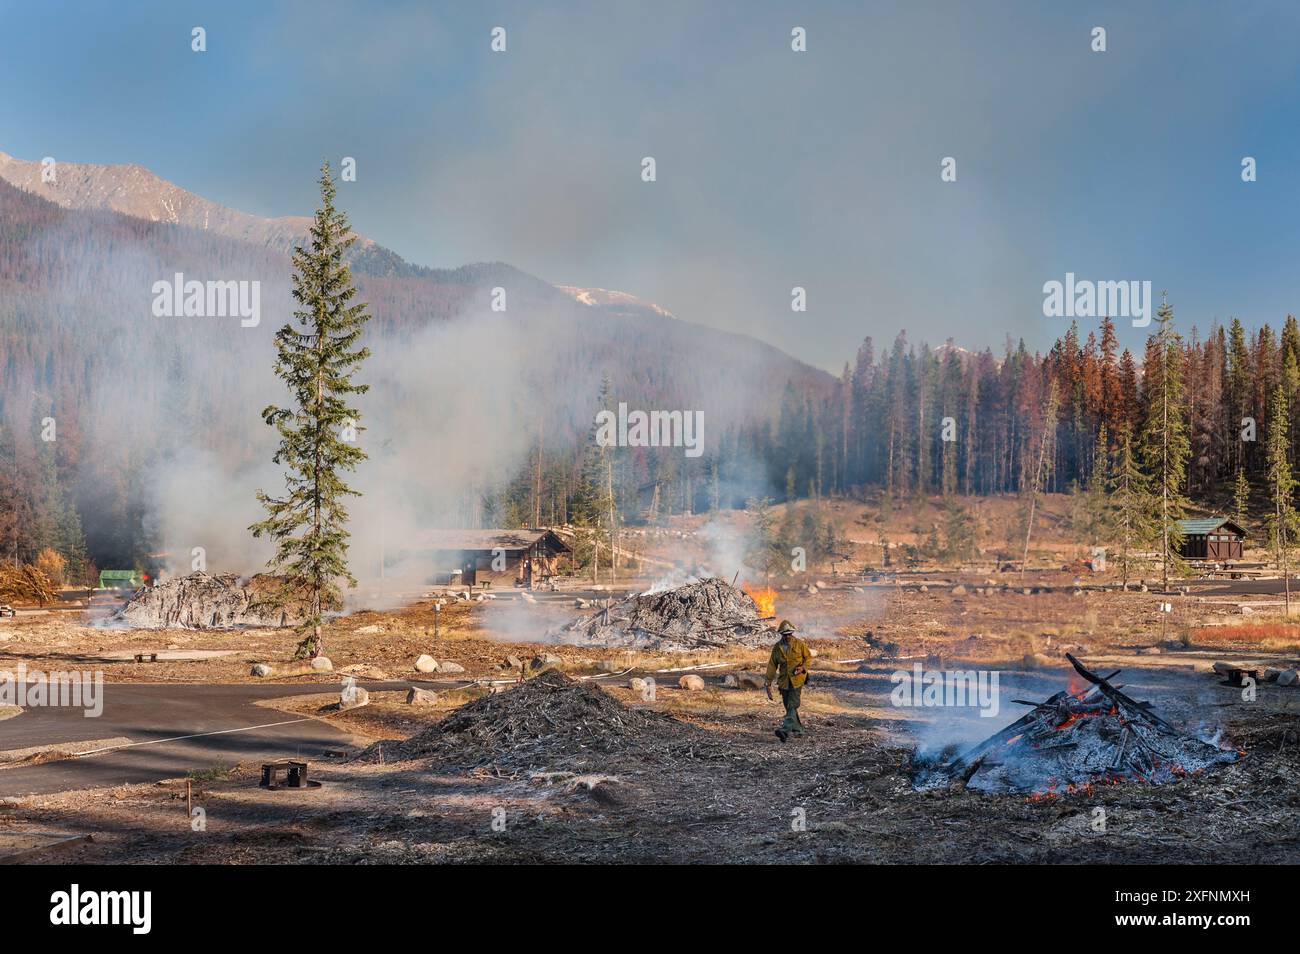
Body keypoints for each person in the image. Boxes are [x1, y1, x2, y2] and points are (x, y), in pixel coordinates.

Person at [764, 619, 811, 742]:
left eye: (790, 634)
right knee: (789, 706)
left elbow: (808, 658)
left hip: (797, 680)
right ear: (782, 635)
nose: (788, 636)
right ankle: (799, 730)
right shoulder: (777, 648)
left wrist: (803, 668)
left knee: (792, 705)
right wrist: (767, 682)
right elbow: (772, 665)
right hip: (784, 681)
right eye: (785, 634)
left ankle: (784, 731)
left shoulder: (800, 644)